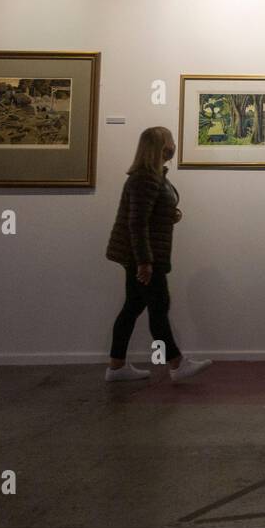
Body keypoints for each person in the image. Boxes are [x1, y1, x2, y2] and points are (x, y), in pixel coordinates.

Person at [103, 126, 211, 383]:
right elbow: (136, 223)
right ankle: (177, 364)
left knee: (132, 308)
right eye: (170, 141)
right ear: (160, 147)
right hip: (145, 257)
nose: (174, 146)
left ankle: (116, 368)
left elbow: (148, 215)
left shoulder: (154, 177)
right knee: (159, 307)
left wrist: (169, 214)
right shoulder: (144, 179)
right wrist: (144, 262)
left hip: (147, 254)